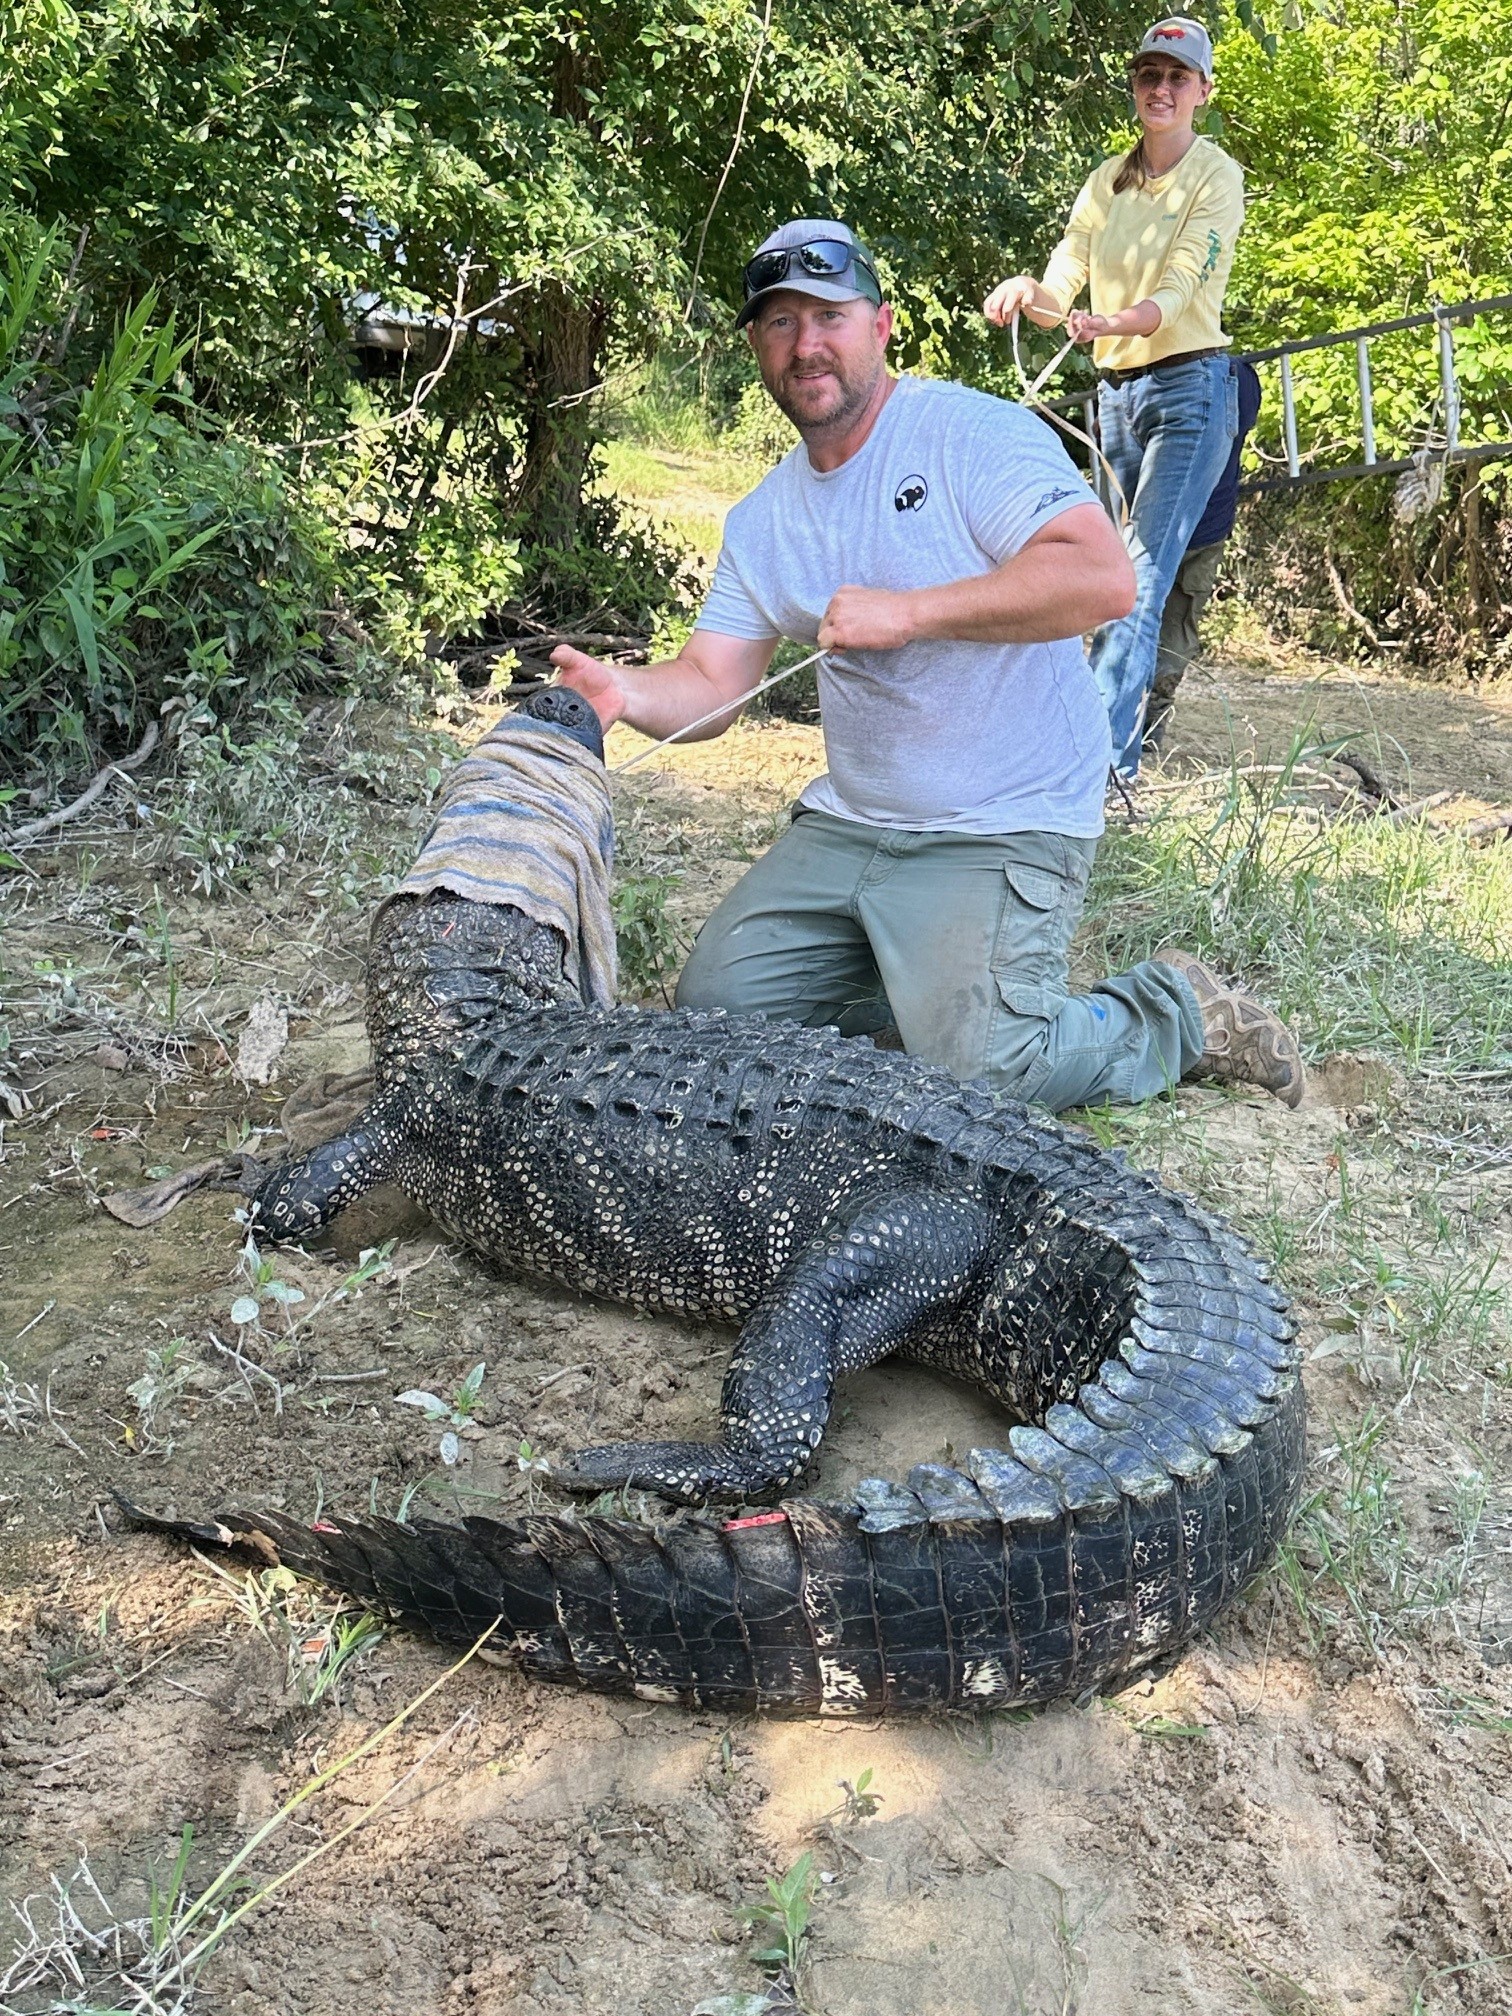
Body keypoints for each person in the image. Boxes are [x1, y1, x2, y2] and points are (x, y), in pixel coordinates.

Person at [554, 217, 1304, 1111]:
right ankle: (930, 985)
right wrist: (623, 690)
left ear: (880, 326)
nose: (807, 345)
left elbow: (1103, 579)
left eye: (829, 317)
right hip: (853, 825)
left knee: (982, 1073)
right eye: (782, 324)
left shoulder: (968, 436)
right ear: (757, 347)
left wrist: (911, 614)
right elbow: (714, 686)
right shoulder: (764, 519)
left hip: (1004, 820)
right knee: (722, 1012)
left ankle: (1175, 1011)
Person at [985, 17, 1244, 777]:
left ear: (1202, 90)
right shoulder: (1107, 180)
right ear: (1135, 86)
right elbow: (1062, 278)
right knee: (1108, 580)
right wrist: (1026, 292)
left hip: (1190, 388)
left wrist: (1113, 321)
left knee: (1137, 575)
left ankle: (1100, 771)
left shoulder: (1215, 175)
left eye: (1176, 77)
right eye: (1148, 76)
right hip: (1118, 398)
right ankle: (1091, 752)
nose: (1160, 89)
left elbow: (1181, 285)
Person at [1145, 356, 1262, 751]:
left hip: (1162, 521)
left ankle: (1126, 720)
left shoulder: (1156, 376)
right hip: (1208, 522)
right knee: (1177, 625)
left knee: (1139, 611)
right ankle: (1150, 725)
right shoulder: (1240, 376)